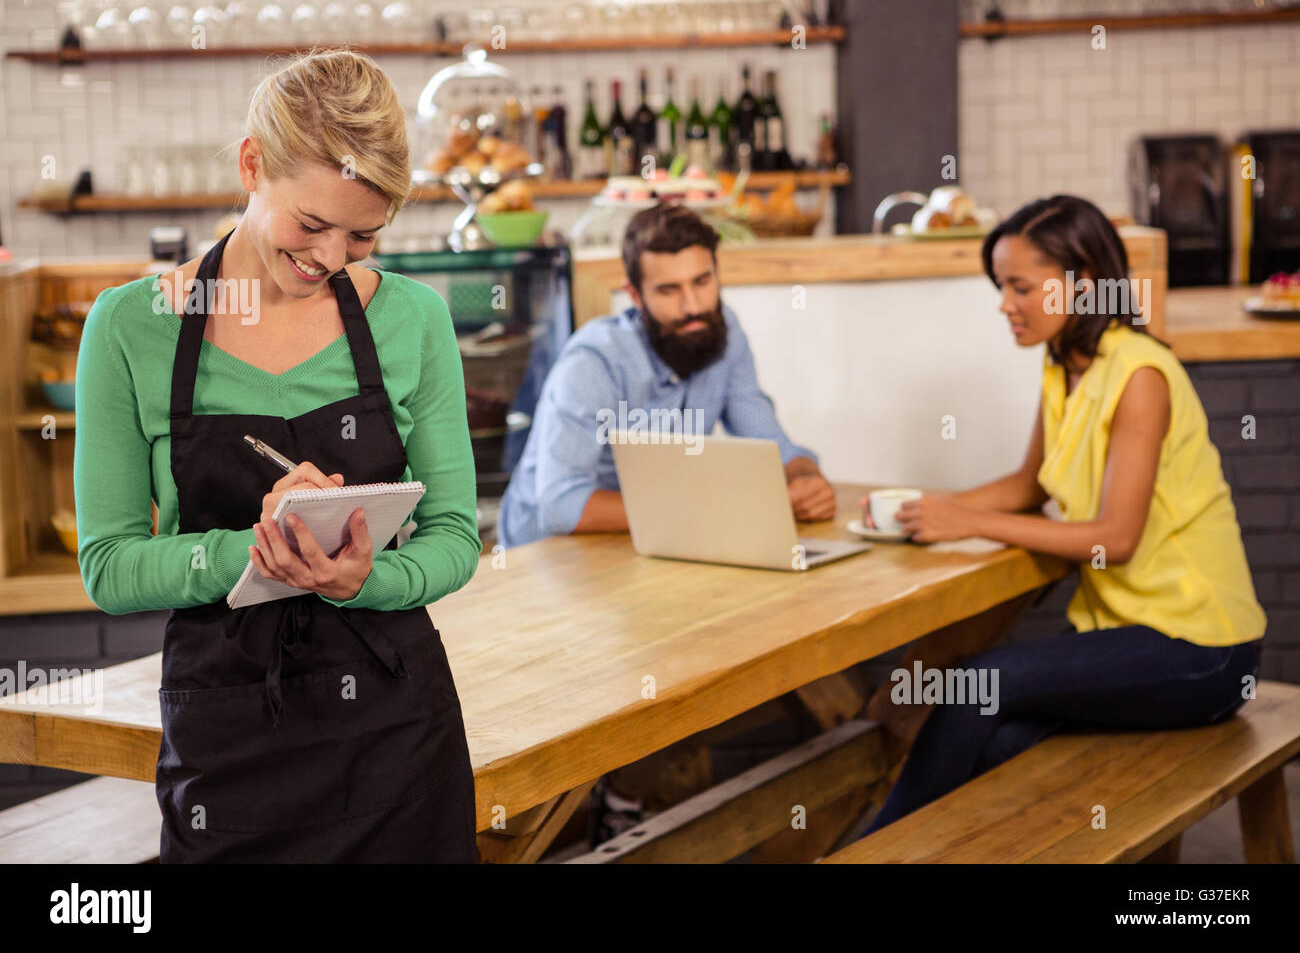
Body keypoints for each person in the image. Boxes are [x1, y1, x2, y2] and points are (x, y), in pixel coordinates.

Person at [74, 50, 481, 862]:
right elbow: (110, 566)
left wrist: (369, 578)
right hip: (228, 746)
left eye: (363, 235)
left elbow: (455, 538)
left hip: (397, 739)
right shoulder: (128, 329)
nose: (332, 257)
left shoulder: (414, 320)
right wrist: (252, 554)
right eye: (311, 223)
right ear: (252, 163)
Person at [858, 194, 1266, 836]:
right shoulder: (1066, 366)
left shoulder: (1139, 377)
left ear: (1082, 282)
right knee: (994, 743)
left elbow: (1117, 538)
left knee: (979, 682)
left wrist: (969, 523)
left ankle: (870, 854)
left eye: (1020, 286)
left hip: (1204, 649)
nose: (1004, 303)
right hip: (1129, 635)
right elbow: (1027, 486)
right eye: (1002, 285)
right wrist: (924, 510)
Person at [497, 202, 834, 549]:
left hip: (647, 542)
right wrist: (699, 511)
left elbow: (771, 443)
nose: (692, 307)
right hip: (544, 556)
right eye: (668, 290)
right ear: (635, 296)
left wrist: (806, 479)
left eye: (702, 281)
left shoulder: (723, 332)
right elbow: (560, 505)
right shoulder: (594, 361)